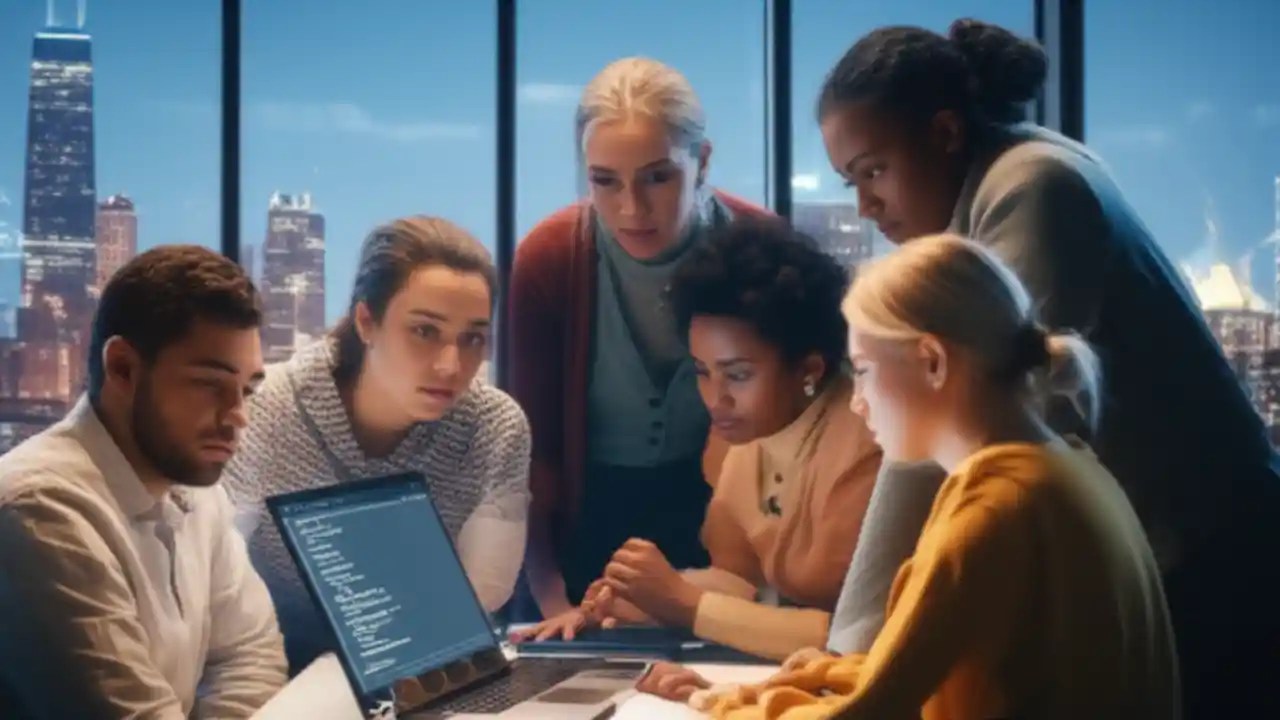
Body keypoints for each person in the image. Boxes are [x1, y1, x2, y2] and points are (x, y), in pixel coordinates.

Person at [814, 19, 1280, 715]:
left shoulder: (1033, 187)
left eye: (874, 170)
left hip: (1215, 553)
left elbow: (953, 413)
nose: (864, 204)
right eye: (850, 181)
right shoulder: (1020, 167)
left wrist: (853, 646)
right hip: (1185, 544)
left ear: (944, 133)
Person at [693, 234, 1180, 720]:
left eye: (862, 370)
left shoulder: (992, 510)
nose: (857, 401)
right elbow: (928, 669)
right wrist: (819, 675)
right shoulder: (1072, 470)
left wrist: (724, 708)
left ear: (932, 362)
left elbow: (866, 714)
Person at [521, 219, 883, 663]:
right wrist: (634, 599)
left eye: (738, 375)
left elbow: (862, 635)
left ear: (809, 370)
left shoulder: (869, 444)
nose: (715, 398)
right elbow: (739, 583)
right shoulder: (741, 439)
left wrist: (684, 602)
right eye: (701, 371)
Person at [509, 56, 771, 632]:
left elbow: (798, 437)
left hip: (730, 538)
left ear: (701, 162)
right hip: (581, 539)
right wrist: (556, 608)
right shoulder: (550, 259)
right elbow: (534, 465)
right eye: (604, 181)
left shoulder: (763, 248)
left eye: (658, 176)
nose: (631, 208)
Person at [223, 216, 531, 672]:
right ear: (366, 320)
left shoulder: (495, 425)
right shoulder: (267, 410)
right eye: (425, 331)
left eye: (473, 339)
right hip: (269, 667)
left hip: (422, 671)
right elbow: (216, 580)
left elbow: (484, 590)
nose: (452, 365)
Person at [0, 246, 287, 719]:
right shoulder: (41, 514)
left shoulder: (199, 490)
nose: (238, 415)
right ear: (123, 369)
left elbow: (250, 653)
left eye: (248, 388)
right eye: (210, 384)